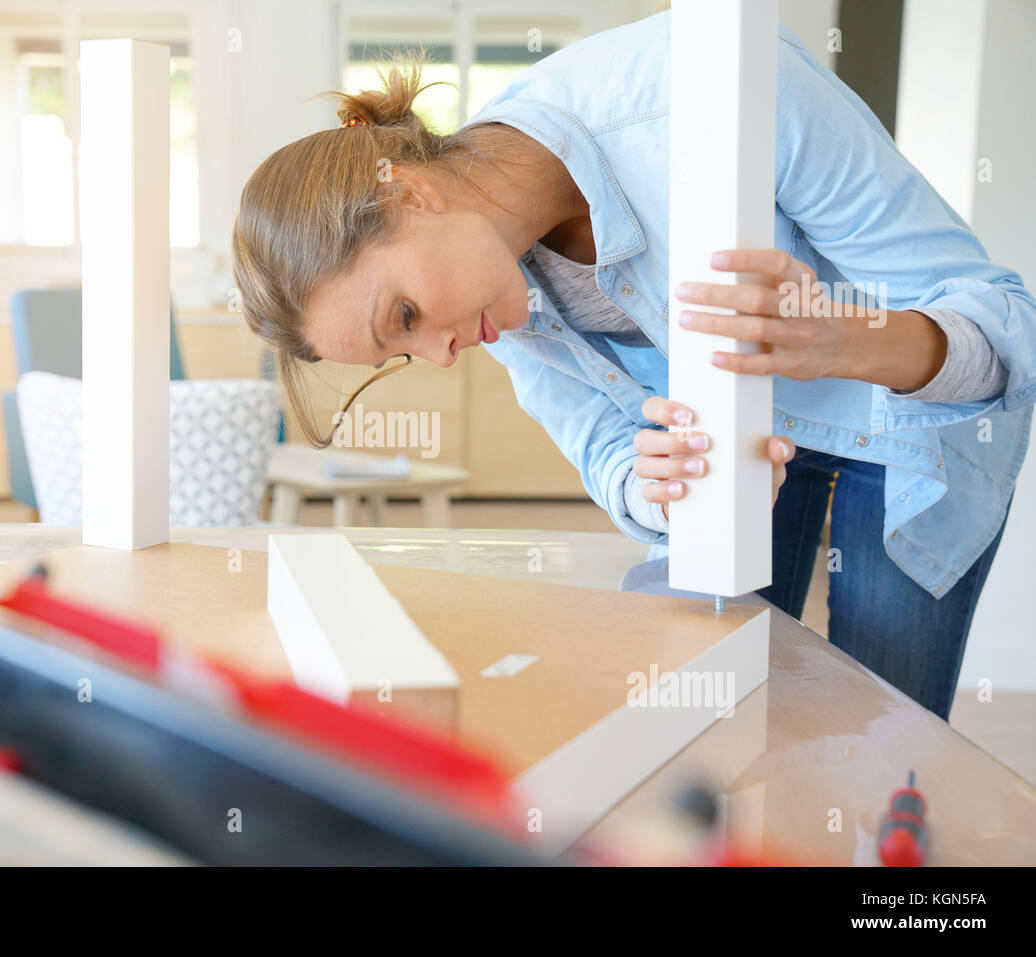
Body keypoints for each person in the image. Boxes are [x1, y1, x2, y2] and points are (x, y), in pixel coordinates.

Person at [230, 12, 1034, 721]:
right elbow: (597, 437)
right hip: (747, 451)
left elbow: (1005, 322)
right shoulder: (488, 277)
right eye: (402, 354)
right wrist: (646, 483)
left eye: (403, 316)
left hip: (907, 424)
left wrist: (843, 336)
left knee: (882, 742)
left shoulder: (709, 92)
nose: (439, 356)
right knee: (715, 723)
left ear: (407, 193)